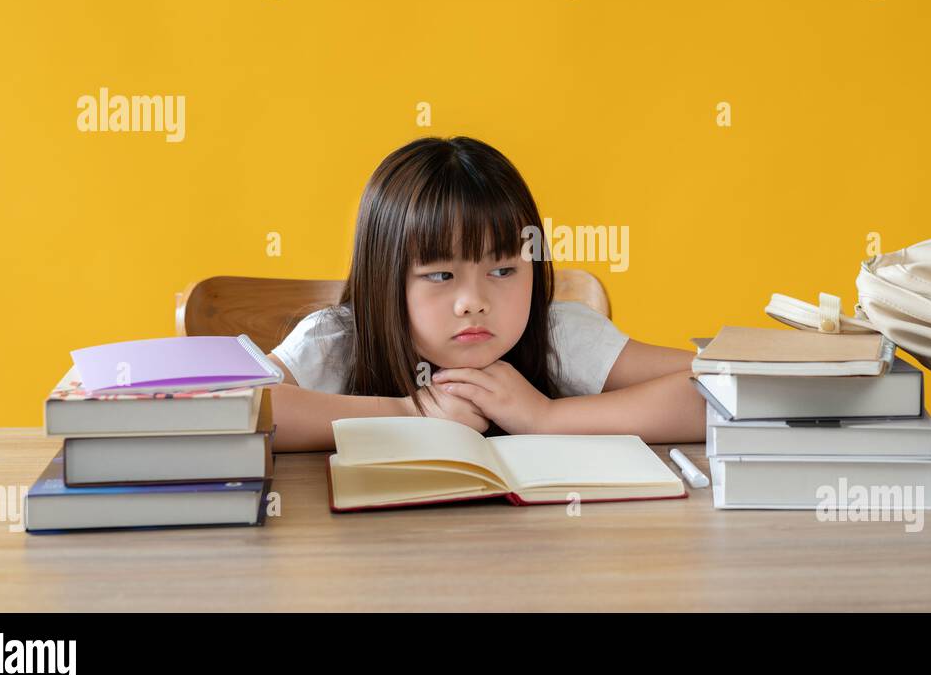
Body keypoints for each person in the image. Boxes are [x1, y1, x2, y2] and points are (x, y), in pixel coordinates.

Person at [266, 135, 705, 452]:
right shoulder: (338, 341)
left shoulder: (559, 335)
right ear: (384, 281)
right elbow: (238, 404)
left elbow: (725, 387)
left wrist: (545, 418)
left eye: (502, 269)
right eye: (440, 275)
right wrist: (408, 413)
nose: (473, 302)